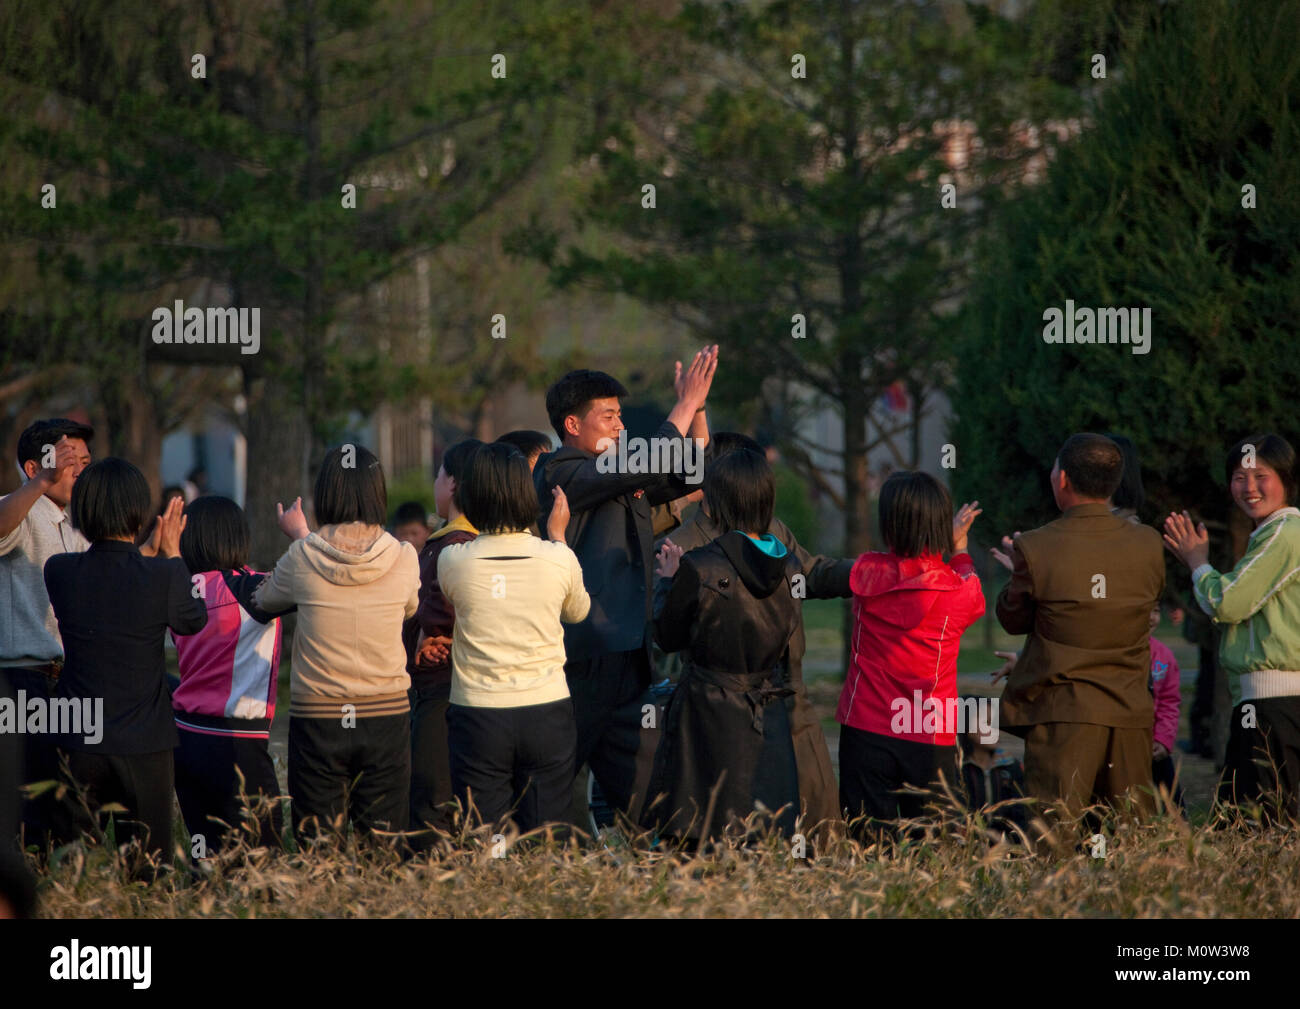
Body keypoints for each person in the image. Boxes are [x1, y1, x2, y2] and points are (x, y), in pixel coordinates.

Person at [533, 349, 717, 821]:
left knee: (648, 791)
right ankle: (519, 862)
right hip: (581, 656)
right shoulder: (559, 472)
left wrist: (695, 409)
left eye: (619, 416)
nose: (619, 426)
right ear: (572, 425)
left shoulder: (619, 476)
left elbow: (691, 473)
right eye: (608, 416)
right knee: (546, 790)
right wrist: (681, 407)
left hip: (628, 657)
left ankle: (667, 870)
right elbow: (643, 464)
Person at [660, 431, 852, 832]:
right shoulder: (684, 545)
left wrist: (870, 572)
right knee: (724, 824)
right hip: (718, 707)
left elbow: (812, 572)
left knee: (812, 821)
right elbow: (668, 633)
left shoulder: (773, 534)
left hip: (787, 698)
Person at [995, 433, 1165, 829]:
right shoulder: (1148, 543)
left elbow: (1012, 618)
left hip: (1065, 713)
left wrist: (1023, 575)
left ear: (1064, 479)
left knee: (1055, 838)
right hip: (1130, 713)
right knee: (1128, 841)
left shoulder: (1037, 546)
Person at [44, 459, 207, 870]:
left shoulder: (59, 571)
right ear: (139, 512)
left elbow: (114, 573)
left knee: (73, 868)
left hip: (77, 736)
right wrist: (171, 555)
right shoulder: (161, 575)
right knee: (148, 868)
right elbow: (193, 619)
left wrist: (156, 559)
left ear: (83, 510)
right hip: (143, 743)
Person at [253, 445, 419, 840]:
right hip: (387, 716)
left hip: (319, 719)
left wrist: (300, 536)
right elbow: (409, 607)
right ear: (377, 492)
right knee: (382, 843)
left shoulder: (301, 556)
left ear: (323, 493)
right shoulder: (404, 556)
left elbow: (261, 601)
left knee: (318, 843)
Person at [645, 448, 804, 843]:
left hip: (707, 709)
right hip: (768, 708)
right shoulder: (789, 567)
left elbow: (667, 637)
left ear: (714, 504)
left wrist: (668, 580)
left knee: (702, 826)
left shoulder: (699, 566)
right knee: (761, 827)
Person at [438, 443, 590, 832]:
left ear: (471, 496)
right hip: (547, 711)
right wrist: (558, 538)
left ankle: (495, 881)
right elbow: (578, 612)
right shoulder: (557, 558)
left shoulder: (452, 561)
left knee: (488, 833)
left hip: (479, 715)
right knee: (544, 832)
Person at [836, 472, 985, 833]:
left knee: (867, 842)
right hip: (928, 732)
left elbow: (895, 571)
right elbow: (967, 585)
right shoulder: (959, 591)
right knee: (932, 850)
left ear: (888, 523)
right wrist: (958, 548)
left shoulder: (865, 574)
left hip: (864, 726)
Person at [1164, 433, 1300, 823]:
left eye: (1261, 475)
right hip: (1261, 703)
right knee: (1244, 824)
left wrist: (1197, 562)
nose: (1249, 487)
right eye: (1239, 477)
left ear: (1286, 479)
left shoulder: (1284, 533)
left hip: (1277, 704)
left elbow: (1227, 602)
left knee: (1267, 828)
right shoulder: (1269, 535)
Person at [172, 496, 294, 854]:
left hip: (186, 738)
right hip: (238, 742)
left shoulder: (179, 587)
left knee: (205, 855)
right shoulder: (250, 589)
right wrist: (299, 536)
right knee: (261, 855)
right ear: (238, 537)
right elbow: (311, 579)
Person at [0, 419, 93, 848]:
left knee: (64, 797)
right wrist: (38, 484)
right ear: (34, 465)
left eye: (84, 461)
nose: (77, 469)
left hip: (65, 681)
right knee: (30, 803)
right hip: (23, 679)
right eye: (69, 459)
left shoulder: (75, 526)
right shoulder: (17, 507)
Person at [407, 438, 482, 835]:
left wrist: (426, 634)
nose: (435, 482)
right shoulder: (482, 541)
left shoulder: (451, 547)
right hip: (476, 693)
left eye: (439, 474)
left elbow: (439, 616)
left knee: (432, 806)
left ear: (452, 484)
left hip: (439, 691)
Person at [1147, 606, 1184, 809]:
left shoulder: (1163, 655)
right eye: (1144, 610)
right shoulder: (1112, 654)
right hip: (1125, 744)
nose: (1151, 618)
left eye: (1156, 610)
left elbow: (1170, 701)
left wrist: (1163, 739)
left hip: (1155, 747)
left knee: (1174, 809)